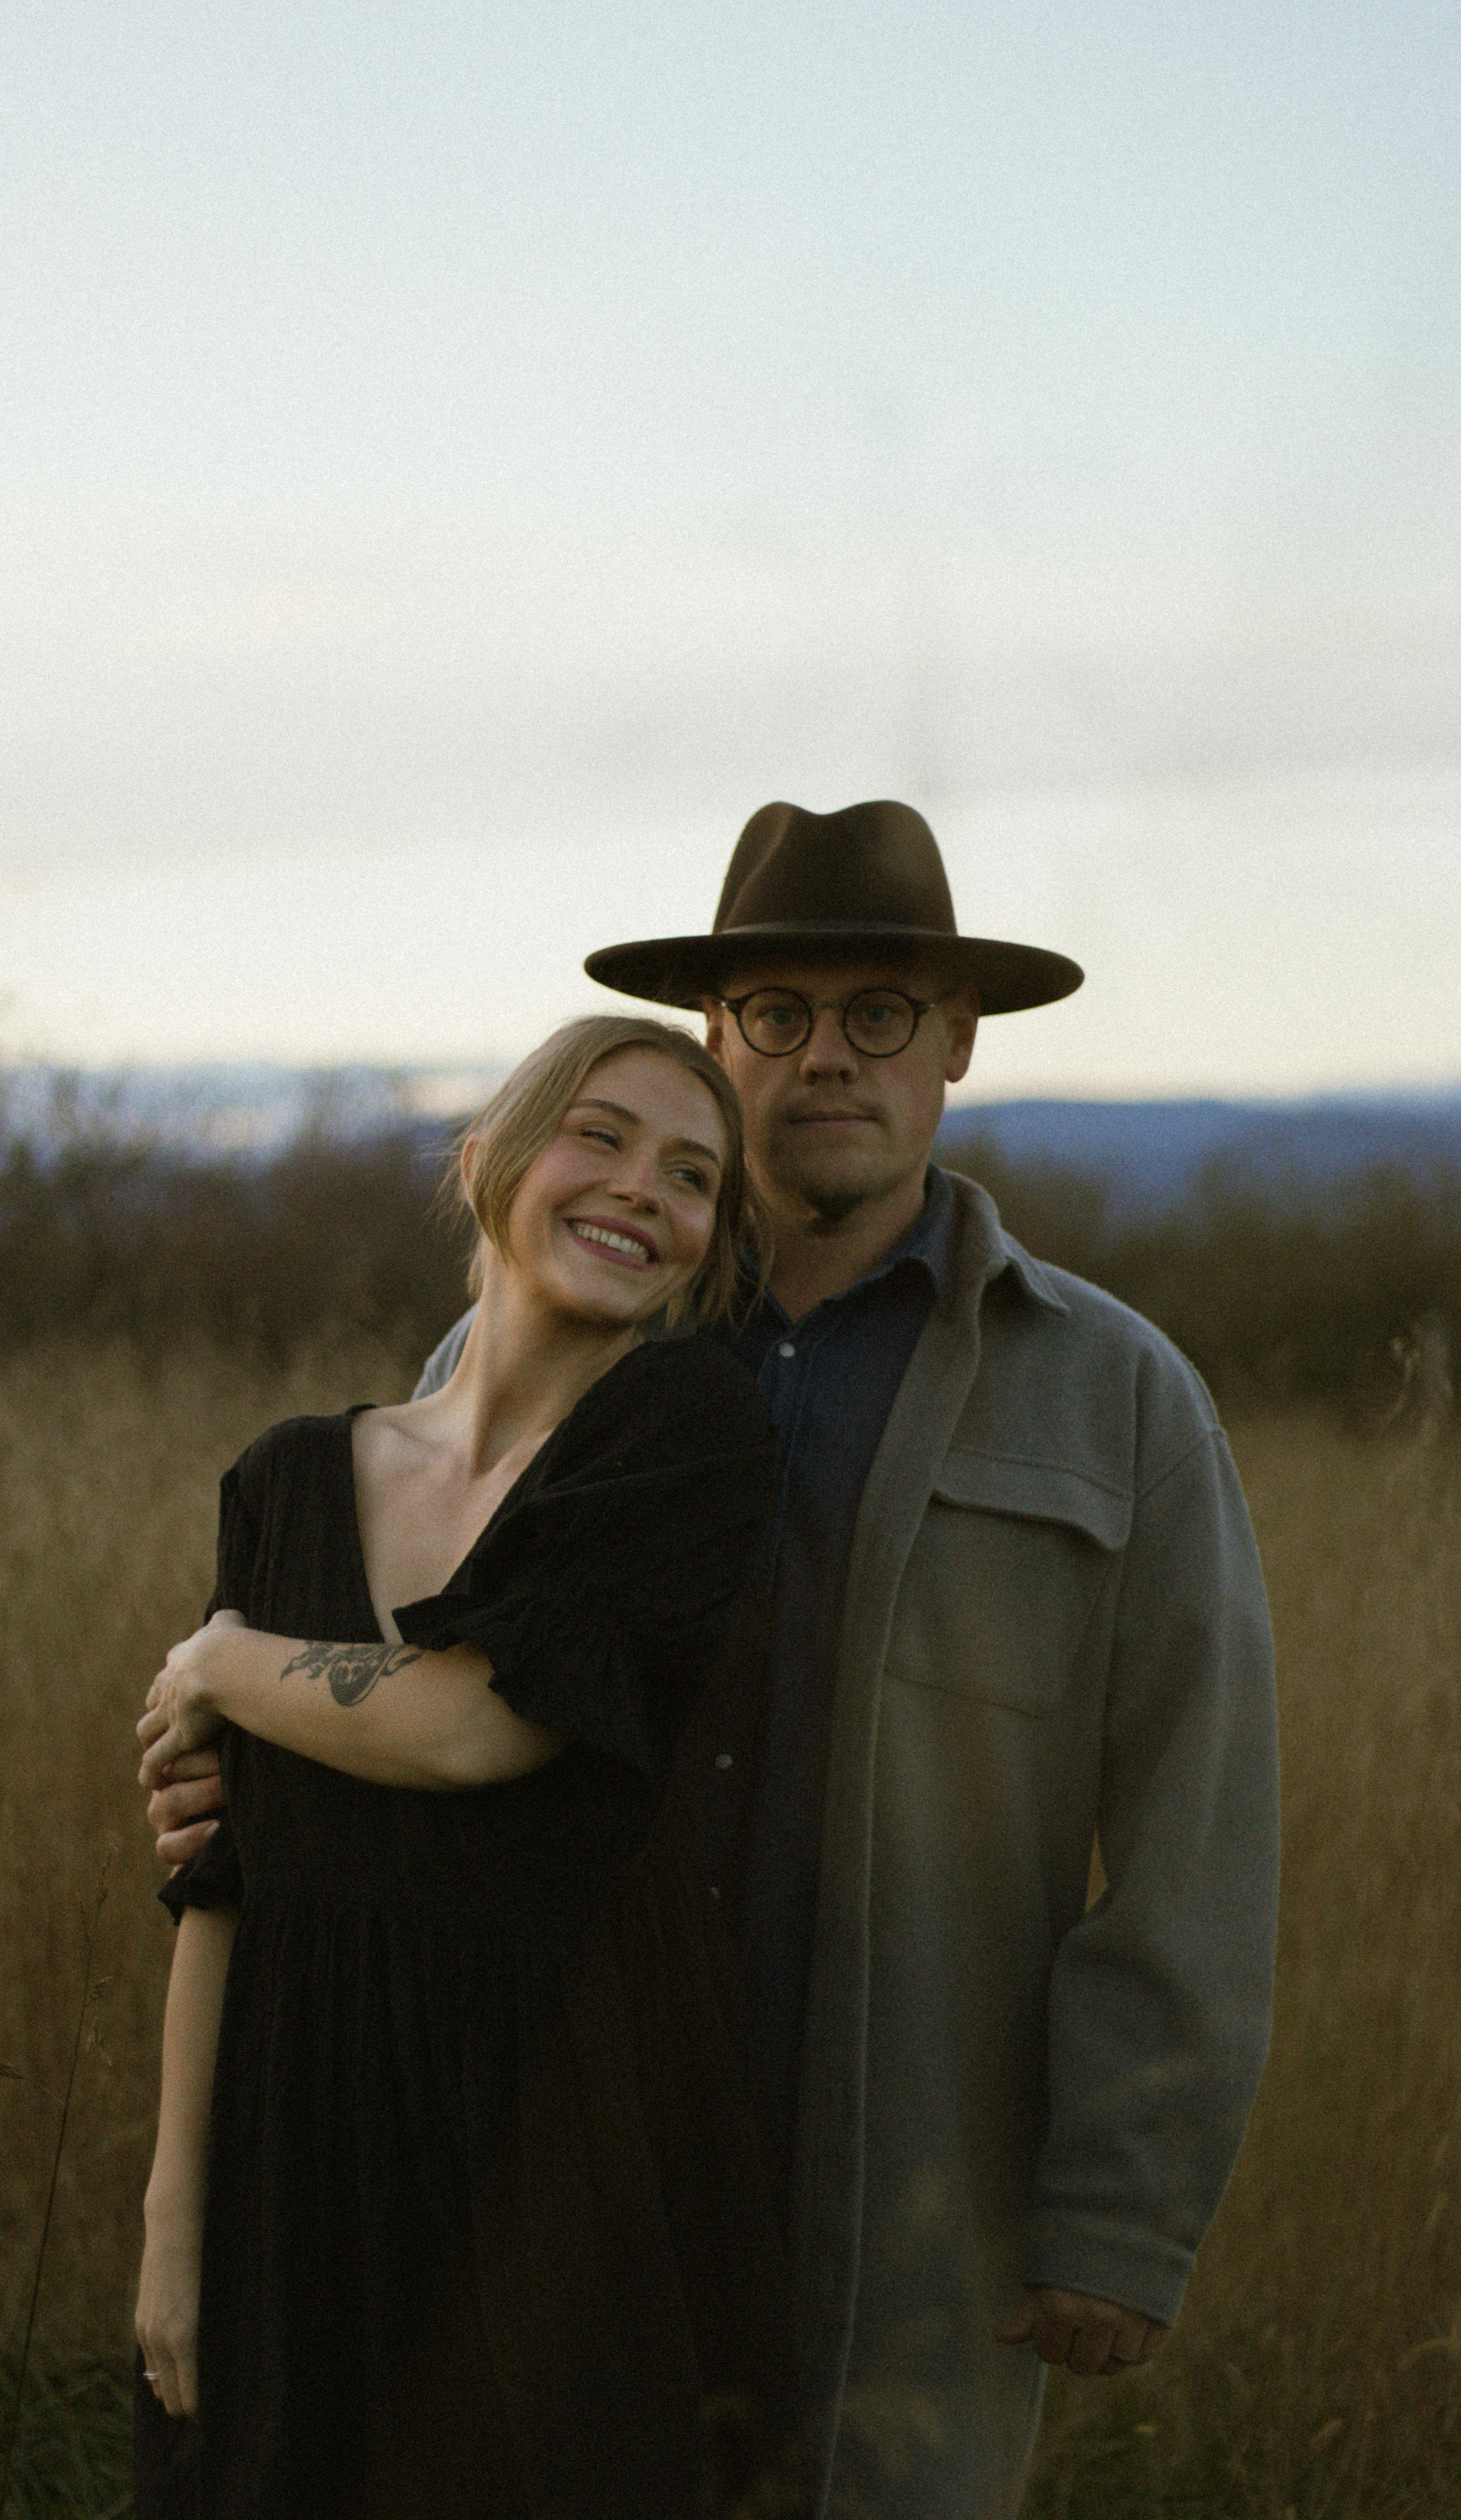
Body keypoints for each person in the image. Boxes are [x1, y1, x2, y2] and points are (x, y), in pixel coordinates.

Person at [150, 801, 1280, 2520]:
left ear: (956, 1043)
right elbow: (395, 1690)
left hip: (904, 2157)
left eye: (879, 1014)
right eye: (775, 1014)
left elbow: (1198, 1815)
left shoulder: (1111, 1398)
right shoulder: (524, 1343)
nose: (825, 1057)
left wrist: (1117, 2204)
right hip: (543, 2141)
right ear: (715, 1037)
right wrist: (229, 1765)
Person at [132, 1014, 802, 2520]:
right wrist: (178, 2215)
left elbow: (473, 1725)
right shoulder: (288, 1476)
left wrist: (219, 1661)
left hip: (556, 2168)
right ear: (485, 1160)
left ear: (701, 1245)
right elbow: (218, 1876)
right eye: (603, 1136)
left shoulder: (681, 1440)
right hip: (292, 2149)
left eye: (692, 1175)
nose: (642, 1188)